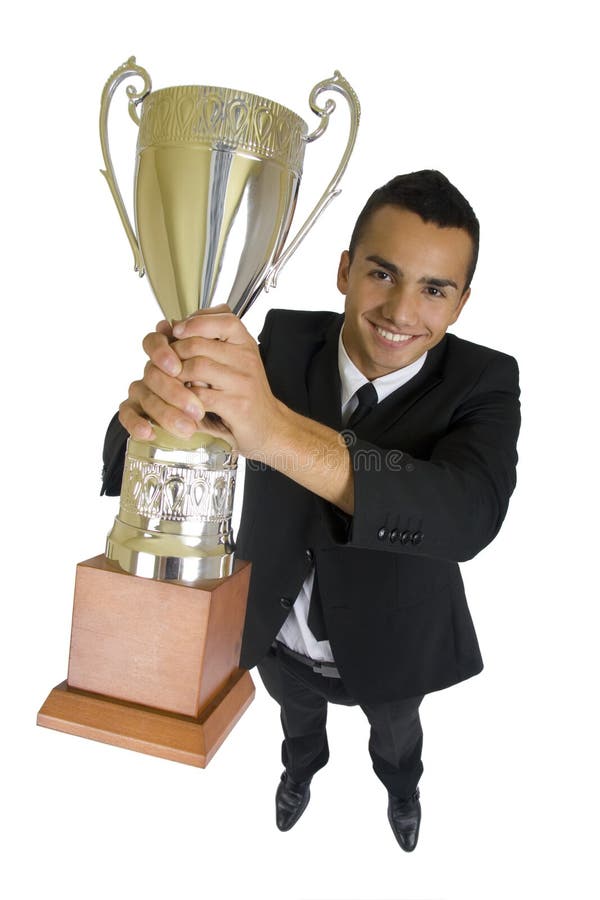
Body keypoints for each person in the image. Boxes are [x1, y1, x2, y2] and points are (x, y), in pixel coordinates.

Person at [102, 170, 521, 852]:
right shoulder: (283, 340)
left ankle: (403, 791)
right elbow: (189, 422)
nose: (401, 312)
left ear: (461, 302)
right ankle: (299, 774)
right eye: (382, 274)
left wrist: (275, 432)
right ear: (345, 270)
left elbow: (467, 512)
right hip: (273, 627)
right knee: (296, 726)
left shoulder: (486, 380)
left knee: (397, 739)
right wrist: (160, 407)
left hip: (394, 644)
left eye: (434, 289)